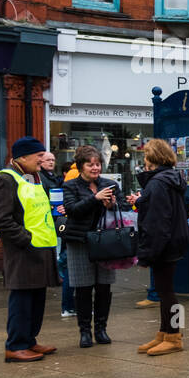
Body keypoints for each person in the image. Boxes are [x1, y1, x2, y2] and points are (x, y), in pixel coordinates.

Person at [0, 137, 59, 362]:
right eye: (39, 155)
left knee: (36, 299)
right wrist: (25, 240)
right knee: (22, 299)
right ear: (22, 157)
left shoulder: (32, 177)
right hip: (23, 252)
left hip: (40, 249)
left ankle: (29, 341)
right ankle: (15, 345)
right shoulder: (6, 179)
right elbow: (1, 219)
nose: (43, 159)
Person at [128, 139, 189, 356]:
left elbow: (156, 222)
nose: (144, 159)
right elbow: (184, 209)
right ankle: (166, 332)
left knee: (167, 292)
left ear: (151, 158)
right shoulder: (172, 179)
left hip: (165, 243)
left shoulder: (157, 183)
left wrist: (146, 255)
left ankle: (174, 336)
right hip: (174, 240)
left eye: (146, 155)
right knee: (167, 291)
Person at [62, 144, 123, 347]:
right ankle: (85, 332)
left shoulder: (110, 184)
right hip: (80, 243)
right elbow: (72, 210)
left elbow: (121, 208)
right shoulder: (71, 186)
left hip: (106, 243)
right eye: (90, 165)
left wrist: (111, 204)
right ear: (81, 166)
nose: (95, 168)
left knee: (104, 287)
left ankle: (101, 329)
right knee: (83, 289)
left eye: (97, 164)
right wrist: (95, 198)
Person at [37, 150, 75, 318]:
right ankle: (57, 274)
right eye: (48, 160)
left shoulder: (53, 177)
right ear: (41, 162)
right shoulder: (41, 178)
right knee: (62, 256)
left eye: (53, 159)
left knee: (62, 254)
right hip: (52, 221)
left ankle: (58, 273)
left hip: (58, 220)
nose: (51, 162)